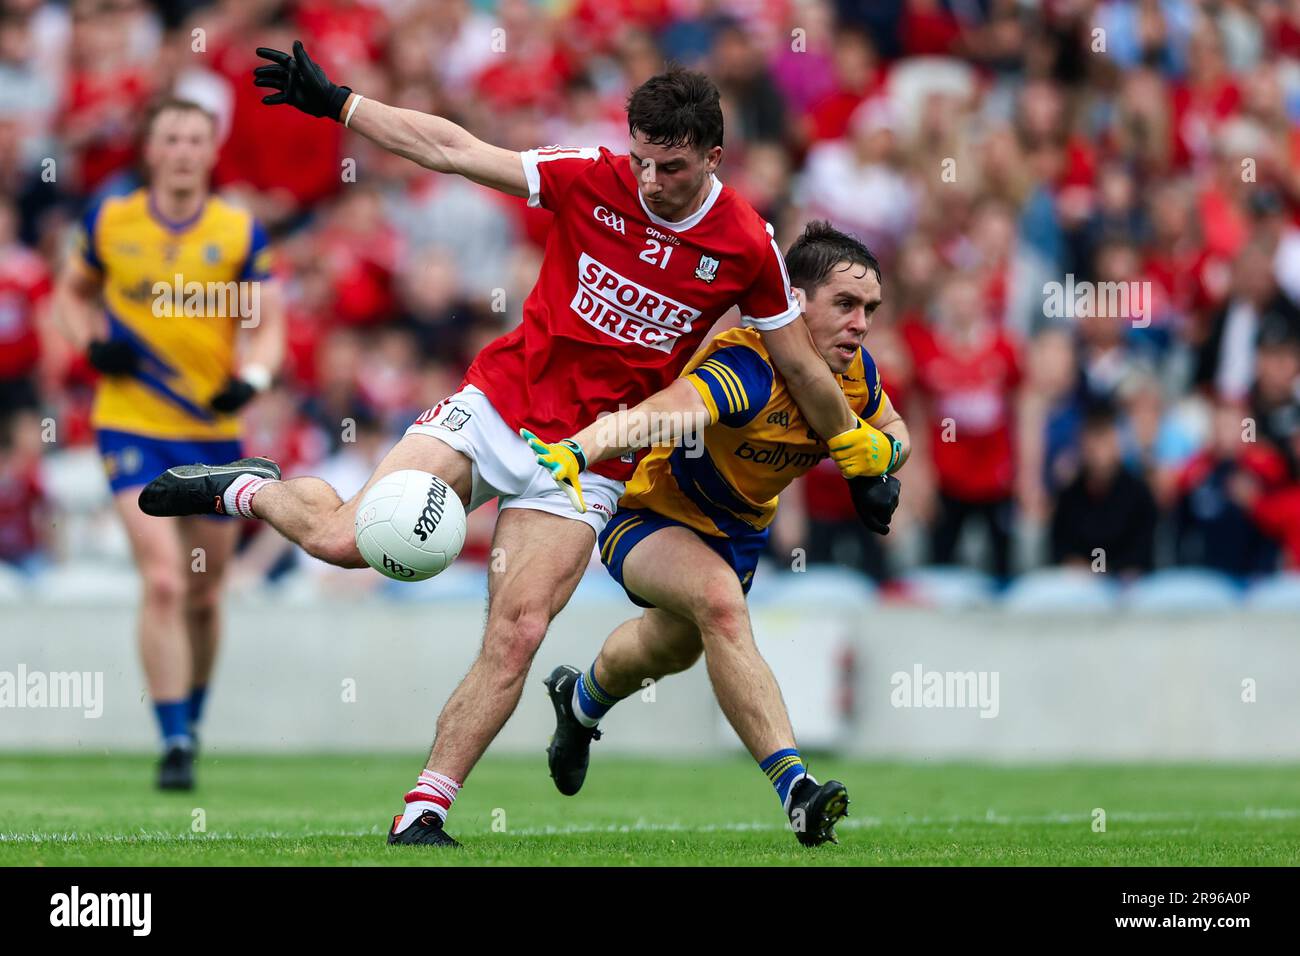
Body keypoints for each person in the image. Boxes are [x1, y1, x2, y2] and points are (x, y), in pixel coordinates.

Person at [137, 43, 896, 845]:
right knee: (339, 540)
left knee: (520, 630)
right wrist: (342, 105)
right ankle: (248, 488)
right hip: (501, 405)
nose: (648, 180)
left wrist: (855, 456)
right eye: (640, 159)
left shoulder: (747, 243)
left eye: (669, 167)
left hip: (590, 460)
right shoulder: (591, 175)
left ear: (712, 156)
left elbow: (800, 366)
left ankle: (423, 811)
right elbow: (456, 149)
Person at [524, 222, 909, 846]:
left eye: (869, 309)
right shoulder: (747, 366)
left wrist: (881, 457)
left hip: (736, 538)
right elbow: (661, 413)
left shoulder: (855, 373)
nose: (861, 322)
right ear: (795, 302)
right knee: (720, 604)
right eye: (845, 304)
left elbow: (897, 430)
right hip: (652, 517)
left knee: (672, 649)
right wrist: (580, 448)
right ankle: (798, 791)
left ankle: (579, 703)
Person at [51, 98, 284, 790]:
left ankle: (192, 716)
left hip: (210, 430)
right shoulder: (111, 220)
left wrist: (254, 378)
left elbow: (268, 321)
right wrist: (92, 345)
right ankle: (173, 740)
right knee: (162, 579)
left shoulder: (237, 229)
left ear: (213, 151)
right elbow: (71, 294)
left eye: (195, 139)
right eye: (171, 138)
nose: (183, 150)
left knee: (205, 595)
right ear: (149, 150)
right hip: (131, 423)